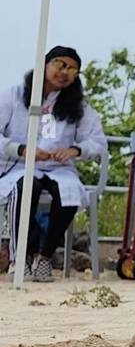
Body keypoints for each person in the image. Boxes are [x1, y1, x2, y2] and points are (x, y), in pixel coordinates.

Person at [0, 46, 107, 282]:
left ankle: (44, 257)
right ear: (45, 65)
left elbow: (97, 141)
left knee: (70, 191)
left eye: (72, 69)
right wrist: (21, 149)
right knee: (26, 187)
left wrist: (75, 150)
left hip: (59, 168)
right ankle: (20, 258)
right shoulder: (14, 96)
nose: (64, 72)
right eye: (60, 64)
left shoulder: (78, 105)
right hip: (17, 165)